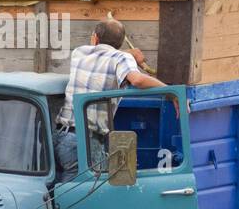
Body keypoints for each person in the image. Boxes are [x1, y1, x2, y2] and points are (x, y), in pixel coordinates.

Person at [54, 19, 166, 181]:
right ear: (120, 43)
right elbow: (138, 80)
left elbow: (102, 54)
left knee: (58, 194)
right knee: (83, 198)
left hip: (60, 137)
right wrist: (169, 92)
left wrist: (128, 55)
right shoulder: (121, 59)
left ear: (95, 38)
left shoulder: (79, 52)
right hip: (85, 143)